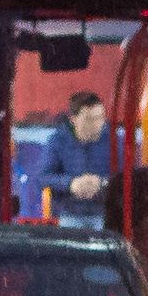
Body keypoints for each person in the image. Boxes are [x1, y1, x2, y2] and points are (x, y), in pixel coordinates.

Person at [29, 90, 113, 227]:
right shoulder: (58, 140)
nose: (97, 125)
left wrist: (102, 183)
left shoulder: (113, 140)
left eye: (100, 118)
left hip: (105, 213)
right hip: (69, 214)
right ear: (73, 120)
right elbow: (42, 177)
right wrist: (70, 184)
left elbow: (126, 176)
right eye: (89, 119)